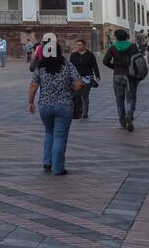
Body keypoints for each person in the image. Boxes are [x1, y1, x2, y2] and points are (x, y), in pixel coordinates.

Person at [28, 36, 83, 176]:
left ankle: (47, 161)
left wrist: (30, 102)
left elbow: (34, 85)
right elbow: (79, 84)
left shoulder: (41, 66)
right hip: (64, 105)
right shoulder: (67, 65)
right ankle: (58, 168)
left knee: (49, 132)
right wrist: (72, 91)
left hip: (45, 106)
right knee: (60, 136)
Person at [102, 28, 141, 132]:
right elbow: (138, 59)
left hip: (117, 76)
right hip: (130, 76)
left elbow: (105, 61)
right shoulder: (133, 46)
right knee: (131, 98)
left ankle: (122, 121)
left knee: (119, 99)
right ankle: (129, 116)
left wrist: (115, 67)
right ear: (126, 36)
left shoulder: (113, 47)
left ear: (116, 37)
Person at [68, 39, 100, 120]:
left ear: (84, 45)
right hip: (76, 78)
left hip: (87, 77)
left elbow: (95, 66)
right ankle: (77, 111)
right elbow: (70, 67)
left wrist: (97, 76)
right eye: (77, 45)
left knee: (84, 95)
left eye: (80, 45)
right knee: (76, 95)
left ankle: (85, 113)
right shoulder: (73, 55)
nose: (78, 46)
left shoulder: (90, 54)